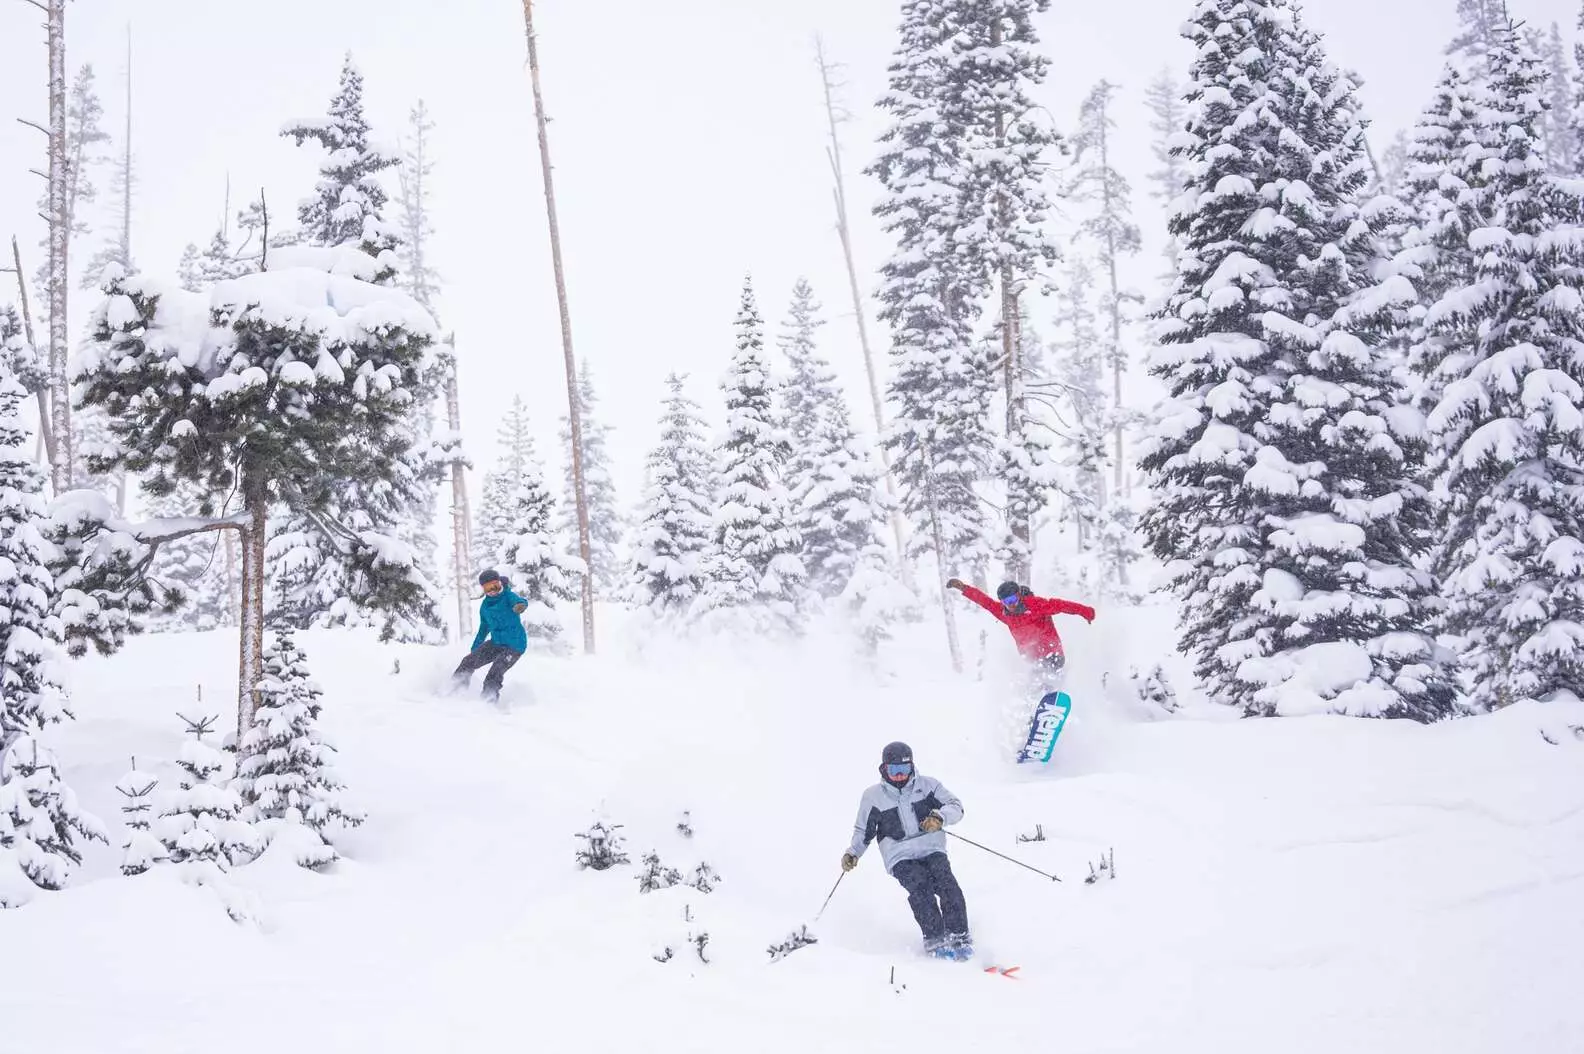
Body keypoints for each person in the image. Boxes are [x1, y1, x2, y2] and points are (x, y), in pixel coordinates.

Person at [840, 741, 972, 960]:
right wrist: (853, 852)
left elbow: (956, 806)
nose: (900, 775)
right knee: (920, 887)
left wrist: (939, 817)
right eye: (895, 770)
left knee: (947, 884)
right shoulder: (873, 797)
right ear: (884, 769)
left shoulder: (929, 786)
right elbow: (863, 830)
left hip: (932, 848)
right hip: (899, 855)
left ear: (912, 766)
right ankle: (936, 938)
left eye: (904, 769)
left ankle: (960, 935)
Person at [947, 578, 1095, 686]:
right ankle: (1035, 714)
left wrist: (1086, 612)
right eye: (1006, 602)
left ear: (1019, 596)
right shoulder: (1004, 613)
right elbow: (985, 601)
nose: (1010, 605)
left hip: (1052, 652)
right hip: (1032, 658)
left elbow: (1062, 605)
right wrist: (963, 588)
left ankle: (1055, 700)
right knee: (1033, 684)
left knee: (1048, 678)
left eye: (1012, 599)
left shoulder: (1036, 604)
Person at [452, 569, 529, 702]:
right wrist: (475, 650)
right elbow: (483, 629)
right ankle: (455, 690)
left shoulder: (507, 596)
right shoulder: (485, 606)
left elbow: (520, 601)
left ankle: (488, 703)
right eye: (488, 587)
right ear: (484, 589)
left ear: (500, 583)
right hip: (496, 643)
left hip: (514, 646)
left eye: (495, 585)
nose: (493, 590)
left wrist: (520, 606)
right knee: (467, 662)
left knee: (494, 673)